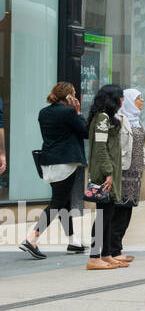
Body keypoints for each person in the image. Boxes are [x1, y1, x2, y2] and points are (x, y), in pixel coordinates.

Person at [20, 82, 88, 259]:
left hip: (49, 162)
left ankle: (73, 241)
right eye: (74, 94)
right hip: (65, 163)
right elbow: (85, 132)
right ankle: (32, 238)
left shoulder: (44, 112)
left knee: (63, 202)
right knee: (57, 203)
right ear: (69, 96)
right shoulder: (69, 112)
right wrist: (78, 112)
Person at [85, 86, 127, 271]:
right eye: (120, 98)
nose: (122, 101)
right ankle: (94, 257)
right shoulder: (102, 117)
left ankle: (107, 255)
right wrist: (108, 172)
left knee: (108, 215)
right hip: (104, 173)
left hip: (110, 171)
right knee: (103, 216)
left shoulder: (105, 117)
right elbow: (101, 148)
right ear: (112, 99)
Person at [113, 88, 145, 266]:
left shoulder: (136, 120)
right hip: (122, 172)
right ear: (129, 101)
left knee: (127, 209)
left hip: (135, 172)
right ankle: (112, 249)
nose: (142, 101)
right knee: (117, 211)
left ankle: (117, 247)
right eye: (138, 98)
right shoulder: (120, 120)